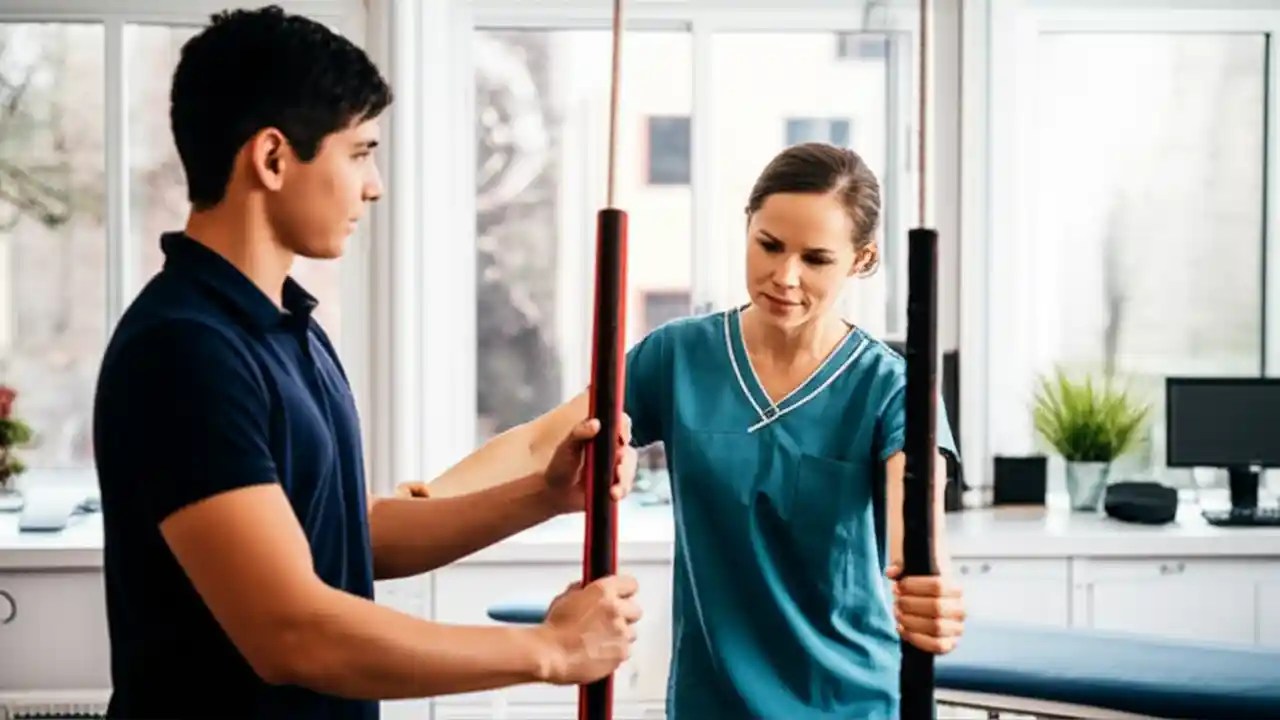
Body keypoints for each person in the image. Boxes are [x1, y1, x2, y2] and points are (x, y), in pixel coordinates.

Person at [91, 7, 641, 720]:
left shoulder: (288, 329)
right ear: (273, 157)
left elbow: (351, 534)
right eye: (358, 152)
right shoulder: (184, 350)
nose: (373, 184)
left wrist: (543, 494)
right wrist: (548, 650)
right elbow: (293, 632)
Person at [423, 142, 967, 719]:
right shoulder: (681, 356)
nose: (785, 276)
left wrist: (935, 590)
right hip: (712, 703)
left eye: (816, 259)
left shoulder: (890, 387)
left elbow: (919, 510)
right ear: (748, 228)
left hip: (851, 703)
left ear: (860, 259)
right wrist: (427, 501)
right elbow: (544, 442)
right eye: (769, 246)